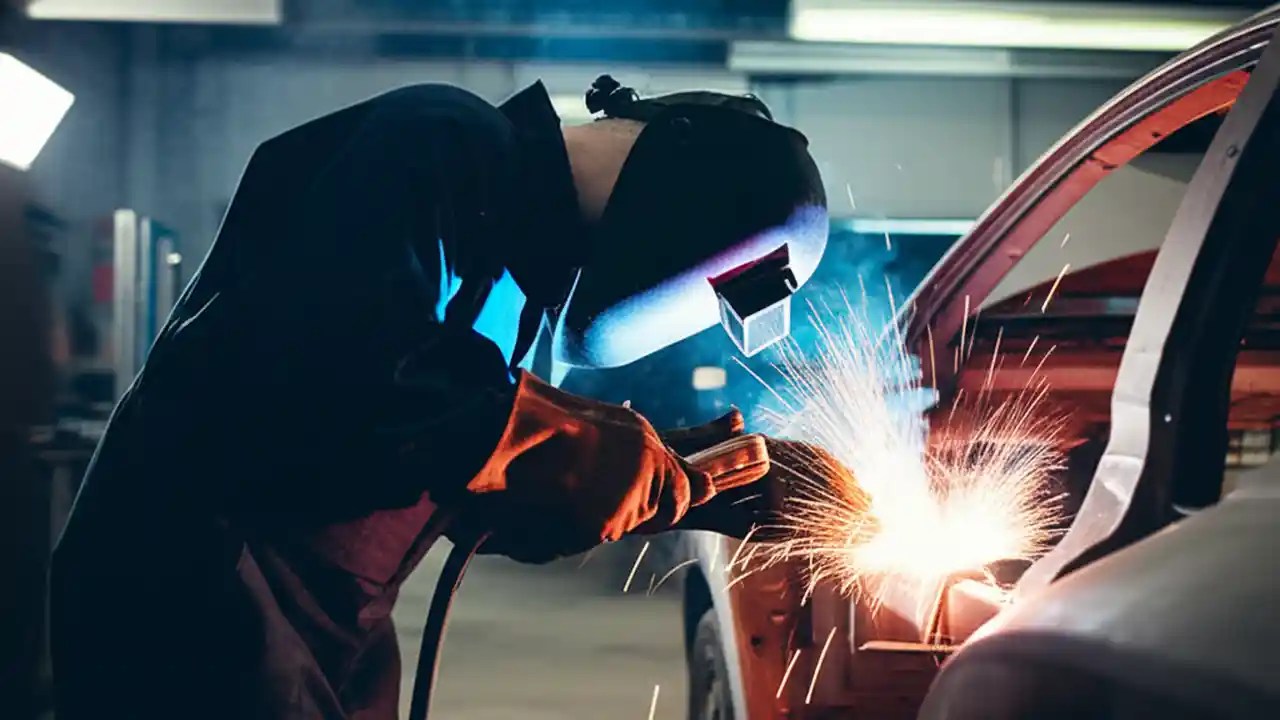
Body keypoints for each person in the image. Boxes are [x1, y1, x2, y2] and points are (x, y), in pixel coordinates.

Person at [49, 75, 830, 719]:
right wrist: (598, 453)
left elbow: (442, 466)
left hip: (322, 619)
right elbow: (363, 374)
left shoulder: (516, 284)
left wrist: (671, 486)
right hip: (195, 589)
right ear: (693, 196)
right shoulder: (439, 142)